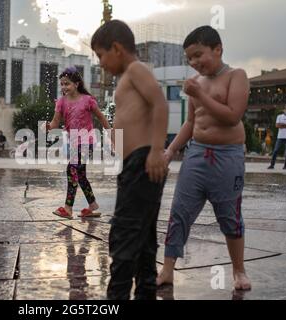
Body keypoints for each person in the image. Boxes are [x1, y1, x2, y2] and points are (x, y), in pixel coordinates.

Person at [156, 26, 252, 291]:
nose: (194, 62)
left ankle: (239, 271)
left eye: (199, 55)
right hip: (196, 154)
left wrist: (199, 95)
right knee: (179, 212)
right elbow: (191, 122)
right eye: (190, 59)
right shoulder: (196, 82)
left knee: (230, 216)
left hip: (227, 157)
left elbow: (232, 116)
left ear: (218, 49)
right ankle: (167, 270)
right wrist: (170, 150)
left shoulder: (236, 76)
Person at [91, 20, 169, 299]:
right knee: (144, 239)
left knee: (123, 235)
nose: (100, 63)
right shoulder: (127, 77)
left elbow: (160, 103)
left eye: (101, 55)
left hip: (142, 163)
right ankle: (145, 292)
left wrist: (156, 150)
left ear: (117, 48)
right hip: (134, 165)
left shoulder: (136, 69)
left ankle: (117, 297)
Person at [46, 66, 111, 219]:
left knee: (72, 170)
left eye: (67, 83)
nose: (64, 87)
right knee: (80, 176)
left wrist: (112, 135)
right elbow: (55, 122)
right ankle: (92, 205)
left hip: (86, 141)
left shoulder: (87, 100)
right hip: (74, 143)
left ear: (76, 84)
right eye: (61, 84)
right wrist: (48, 126)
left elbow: (102, 118)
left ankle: (68, 208)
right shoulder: (61, 102)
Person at [268, 105, 286, 170]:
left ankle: (285, 166)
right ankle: (272, 165)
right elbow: (277, 125)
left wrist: (281, 125)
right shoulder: (279, 116)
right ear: (283, 110)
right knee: (275, 151)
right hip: (280, 137)